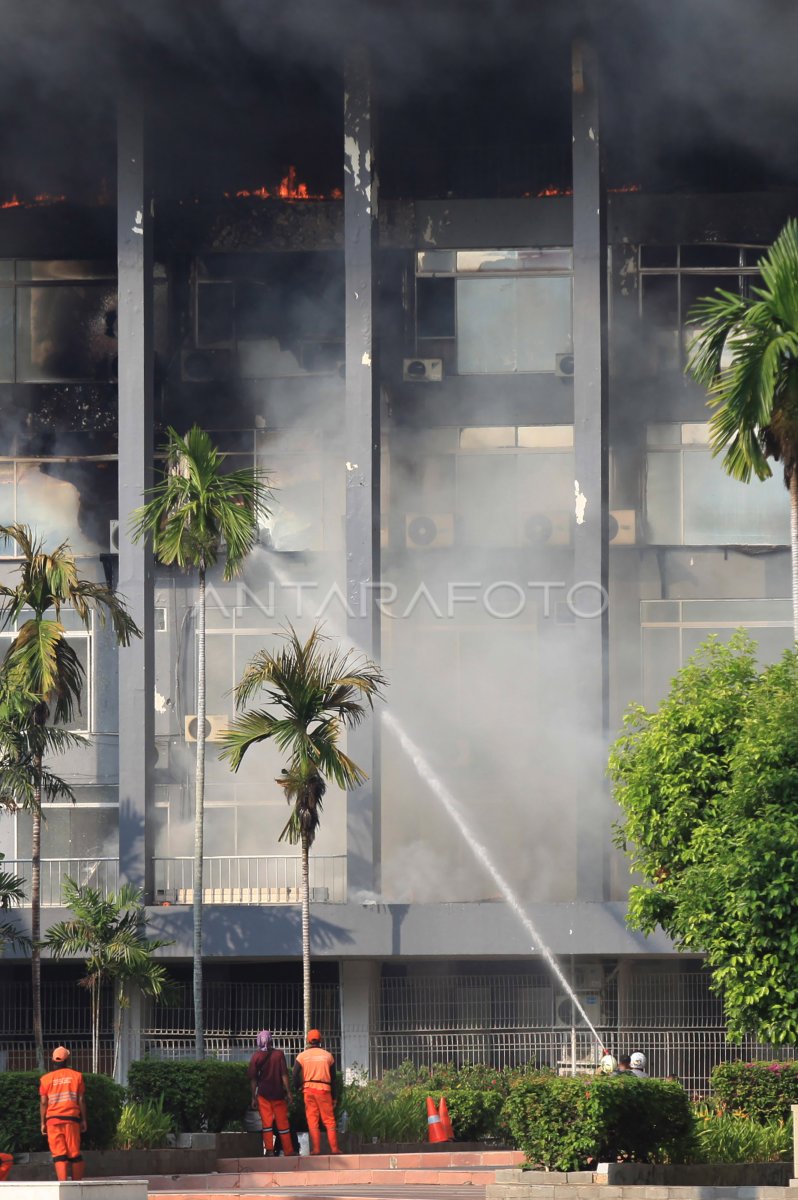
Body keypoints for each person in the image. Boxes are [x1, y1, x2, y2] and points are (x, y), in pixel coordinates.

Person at [39, 1046, 87, 1181]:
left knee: (59, 1155)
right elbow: (81, 1099)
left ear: (52, 1060)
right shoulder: (77, 1076)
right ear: (68, 1060)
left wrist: (43, 1122)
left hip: (52, 1121)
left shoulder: (45, 1079)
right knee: (74, 1153)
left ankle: (63, 1185)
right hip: (72, 1120)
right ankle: (77, 1185)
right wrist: (84, 1120)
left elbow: (43, 1102)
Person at [247, 1030, 295, 1157]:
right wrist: (289, 1092)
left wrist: (253, 1097)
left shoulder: (256, 1057)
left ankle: (269, 1150)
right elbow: (284, 1074)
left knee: (267, 1124)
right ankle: (288, 1150)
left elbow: (253, 1079)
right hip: (278, 1094)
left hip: (263, 1095)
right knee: (283, 1124)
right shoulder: (279, 1054)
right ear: (271, 1040)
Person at [292, 1029, 340, 1155]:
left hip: (308, 1091)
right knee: (329, 1121)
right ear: (320, 1040)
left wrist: (298, 1087)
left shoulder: (301, 1056)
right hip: (324, 1091)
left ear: (308, 1040)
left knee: (312, 1120)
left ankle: (316, 1149)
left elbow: (294, 1075)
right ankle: (334, 1149)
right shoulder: (328, 1056)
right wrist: (335, 1097)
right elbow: (334, 1079)